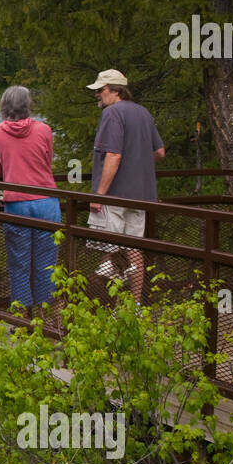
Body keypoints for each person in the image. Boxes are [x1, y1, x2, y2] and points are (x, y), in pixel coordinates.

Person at [85, 69, 165, 302]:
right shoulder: (143, 113)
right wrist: (137, 163)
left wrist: (99, 195)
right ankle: (136, 304)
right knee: (133, 249)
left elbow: (113, 156)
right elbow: (159, 152)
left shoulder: (112, 113)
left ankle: (103, 305)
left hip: (115, 195)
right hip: (140, 195)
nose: (97, 95)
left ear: (115, 91)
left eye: (101, 90)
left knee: (108, 250)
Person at [0, 85, 59, 310]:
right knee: (46, 263)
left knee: (19, 262)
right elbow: (47, 163)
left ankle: (20, 314)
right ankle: (45, 314)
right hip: (46, 200)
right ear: (28, 105)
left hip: (17, 203)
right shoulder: (44, 130)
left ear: (4, 106)